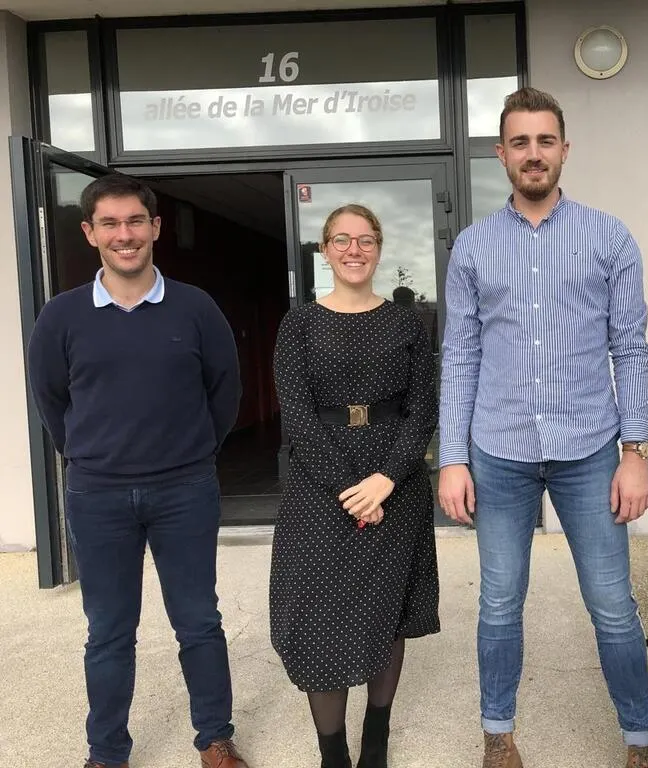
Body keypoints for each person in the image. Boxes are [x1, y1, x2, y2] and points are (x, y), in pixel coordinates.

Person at [438, 87, 648, 768]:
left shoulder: (609, 238)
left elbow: (630, 347)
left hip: (590, 447)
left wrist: (635, 451)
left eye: (544, 141)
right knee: (500, 603)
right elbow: (461, 354)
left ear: (564, 148)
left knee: (613, 605)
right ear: (501, 153)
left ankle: (641, 741)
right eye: (519, 142)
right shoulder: (473, 248)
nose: (532, 154)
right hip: (498, 449)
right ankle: (498, 736)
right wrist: (452, 458)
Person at [26, 175, 249, 768]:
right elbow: (52, 400)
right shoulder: (61, 316)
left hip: (184, 489)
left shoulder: (196, 308)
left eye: (134, 222)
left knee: (198, 622)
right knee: (108, 631)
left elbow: (224, 393)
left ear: (155, 228)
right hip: (96, 494)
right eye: (110, 223)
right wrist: (89, 453)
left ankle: (215, 739)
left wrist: (192, 452)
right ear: (90, 233)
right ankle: (107, 752)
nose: (124, 235)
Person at [269, 204, 440, 768]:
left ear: (379, 249)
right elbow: (297, 416)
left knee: (387, 611)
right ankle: (333, 754)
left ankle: (376, 740)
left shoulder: (405, 322)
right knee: (319, 618)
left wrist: (386, 479)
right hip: (322, 487)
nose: (354, 250)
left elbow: (422, 408)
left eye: (365, 240)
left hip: (397, 480)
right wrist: (351, 490)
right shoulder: (299, 324)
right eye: (341, 240)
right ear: (325, 250)